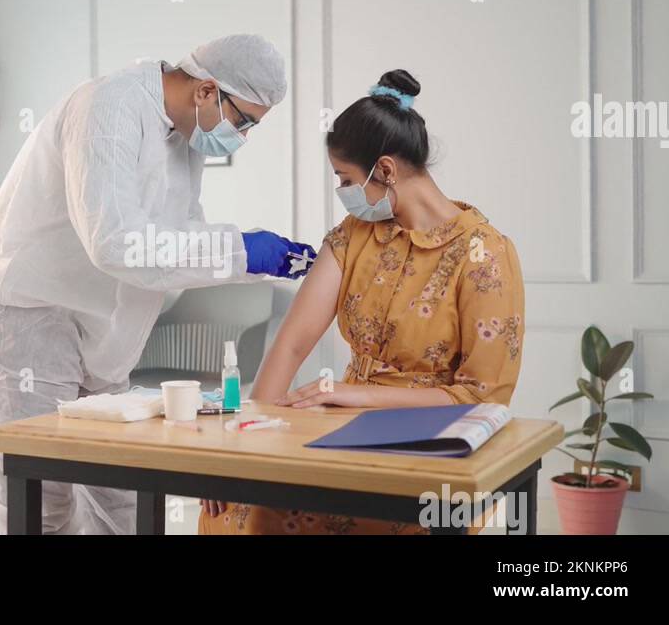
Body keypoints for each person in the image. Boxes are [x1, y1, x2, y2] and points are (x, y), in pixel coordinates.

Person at [0, 34, 316, 535]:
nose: (241, 136)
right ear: (206, 91)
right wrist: (243, 248)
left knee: (123, 502)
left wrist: (257, 257)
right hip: (29, 314)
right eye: (242, 120)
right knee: (41, 499)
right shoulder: (108, 107)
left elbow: (180, 237)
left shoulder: (185, 137)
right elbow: (115, 242)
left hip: (105, 332)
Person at [199, 70, 525, 535]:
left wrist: (352, 395)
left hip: (435, 445)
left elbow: (481, 398)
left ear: (386, 170)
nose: (344, 193)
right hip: (343, 430)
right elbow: (291, 346)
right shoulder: (354, 237)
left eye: (345, 178)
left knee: (277, 514)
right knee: (238, 505)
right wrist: (240, 451)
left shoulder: (484, 254)